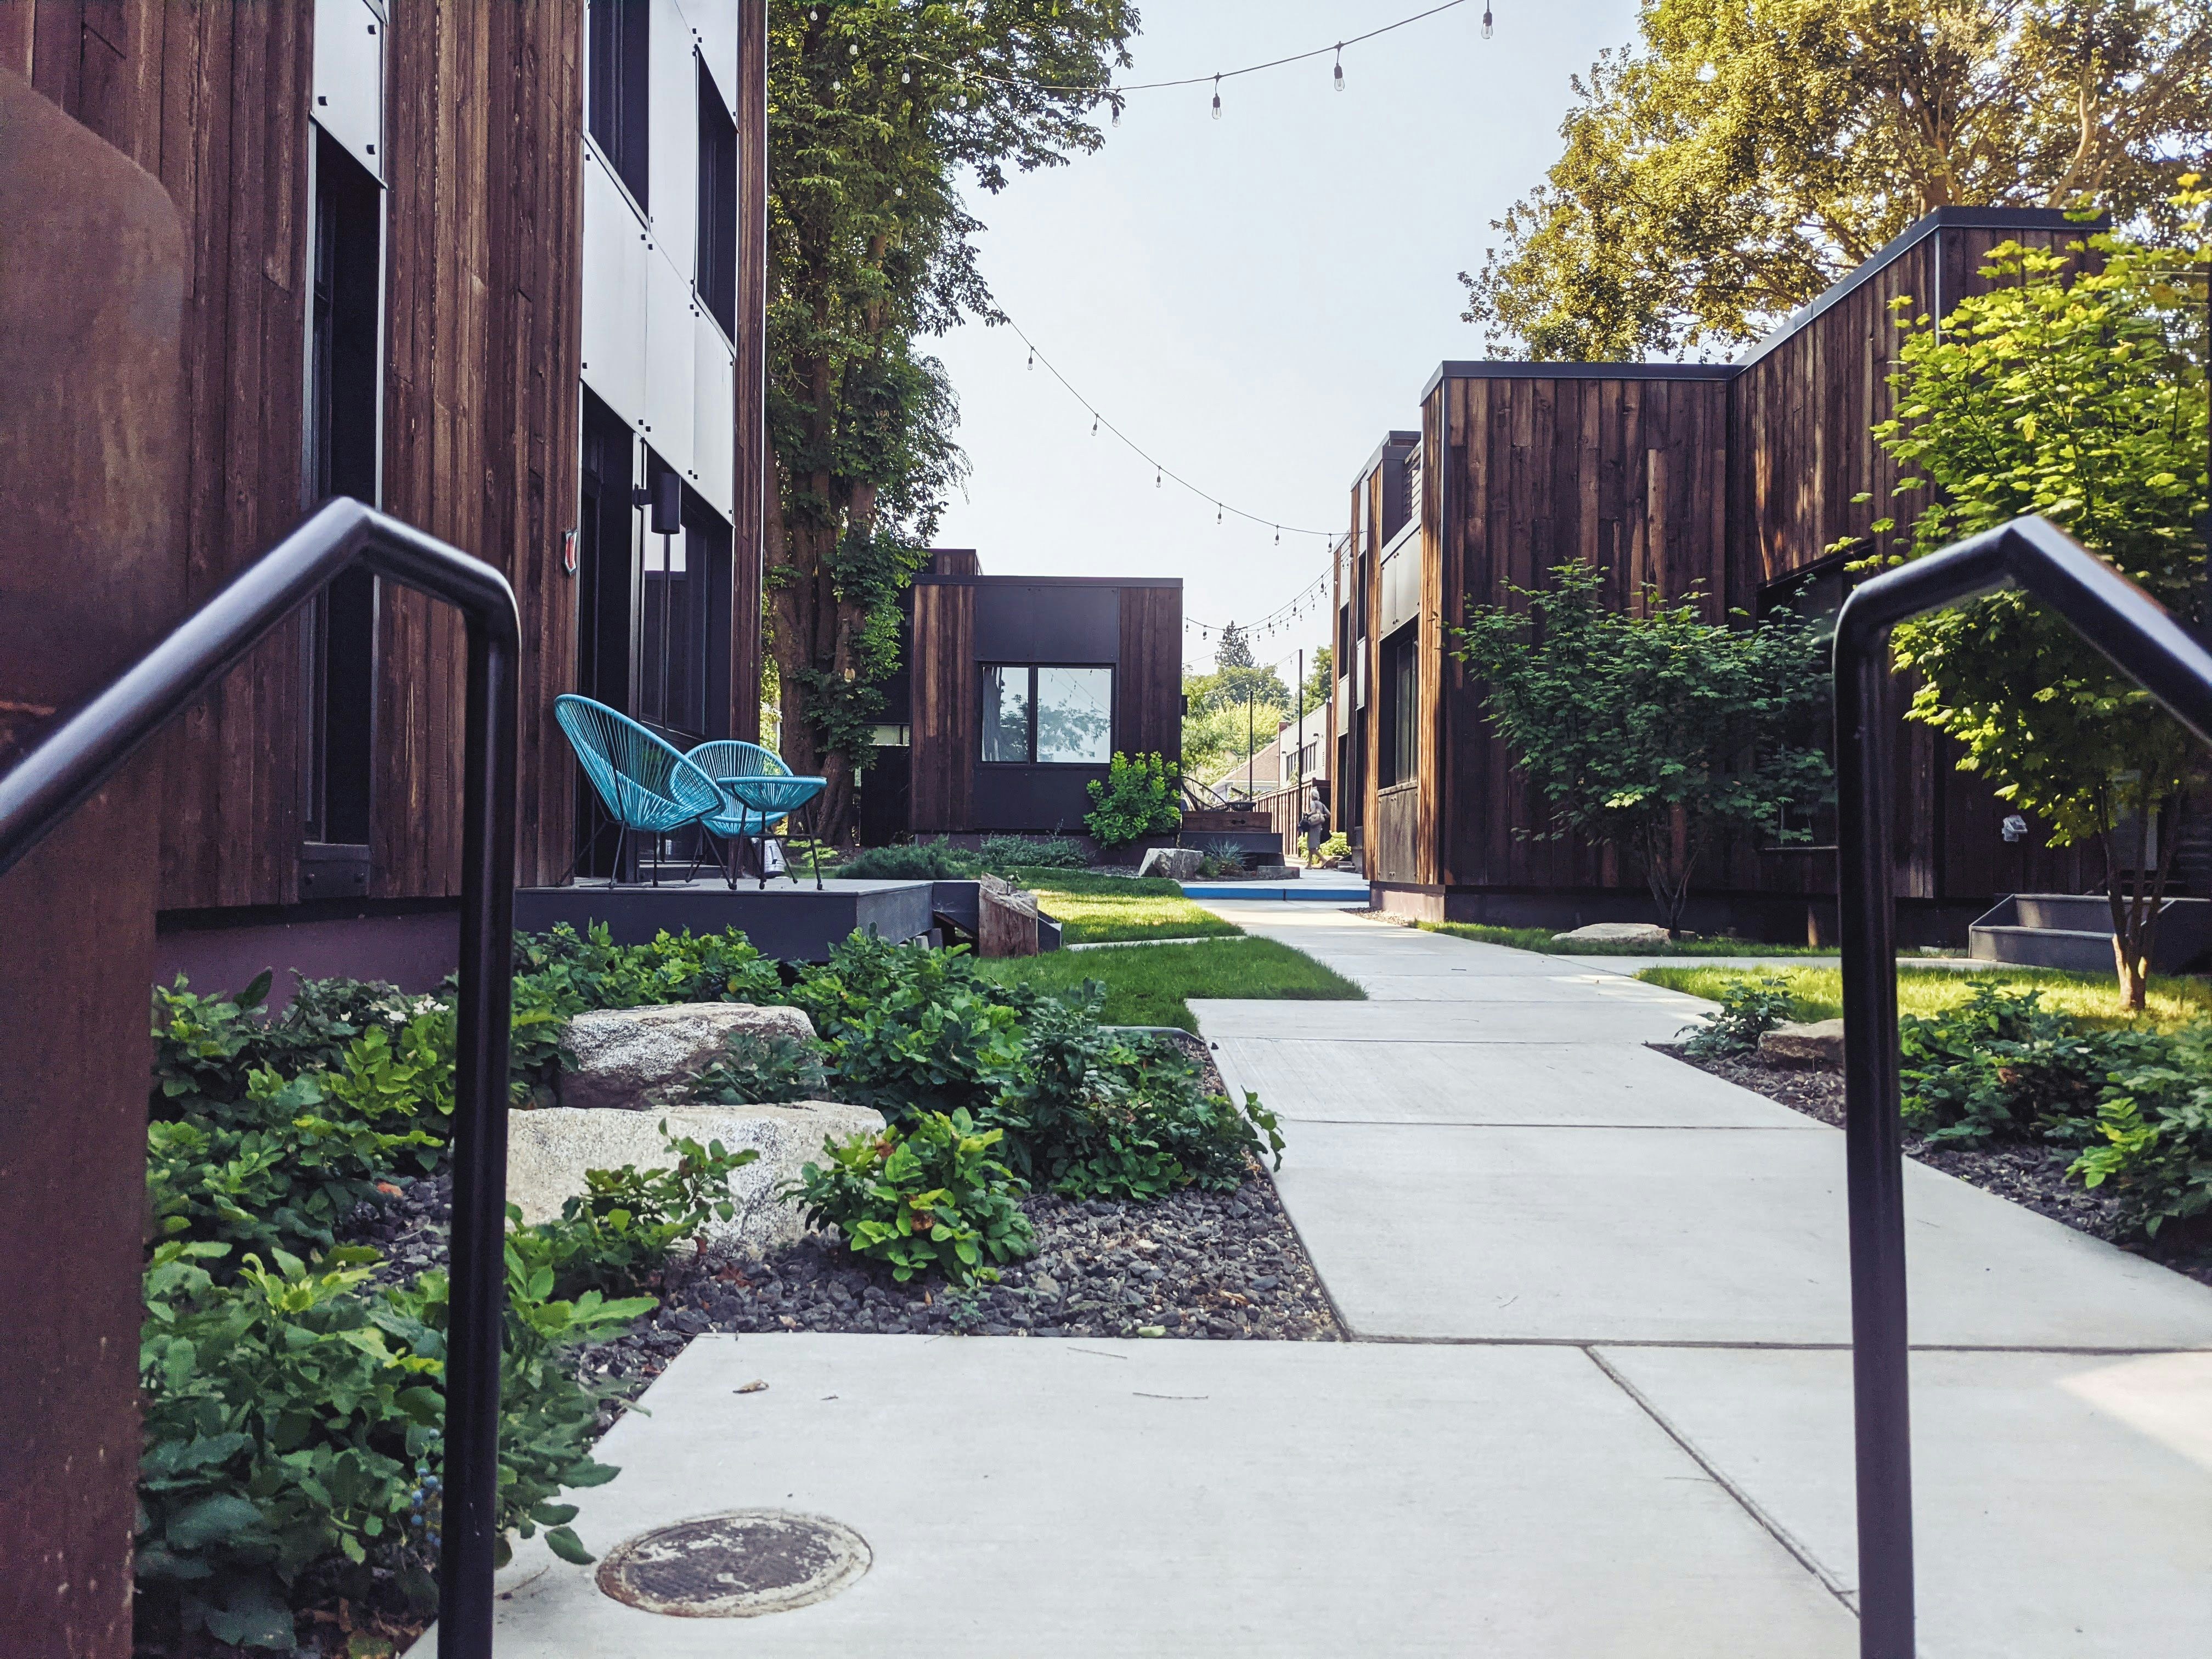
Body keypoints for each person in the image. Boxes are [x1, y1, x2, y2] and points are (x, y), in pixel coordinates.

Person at [1299, 789, 1329, 865]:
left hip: (1312, 826)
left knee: (1312, 847)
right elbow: (1329, 814)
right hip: (1319, 826)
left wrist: (1307, 814)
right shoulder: (1321, 804)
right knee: (1311, 847)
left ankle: (1323, 860)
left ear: (1312, 796)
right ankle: (1309, 864)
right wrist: (1322, 816)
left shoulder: (1312, 803)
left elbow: (1313, 812)